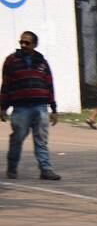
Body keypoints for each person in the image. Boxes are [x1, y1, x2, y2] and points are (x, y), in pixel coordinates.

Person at [2, 31, 61, 180]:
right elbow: (6, 85)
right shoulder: (11, 61)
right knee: (18, 137)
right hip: (21, 107)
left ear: (34, 44)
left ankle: (45, 169)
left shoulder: (42, 62)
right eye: (21, 42)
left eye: (27, 43)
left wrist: (53, 109)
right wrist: (3, 107)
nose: (23, 45)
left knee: (41, 139)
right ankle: (12, 166)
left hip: (40, 106)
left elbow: (49, 85)